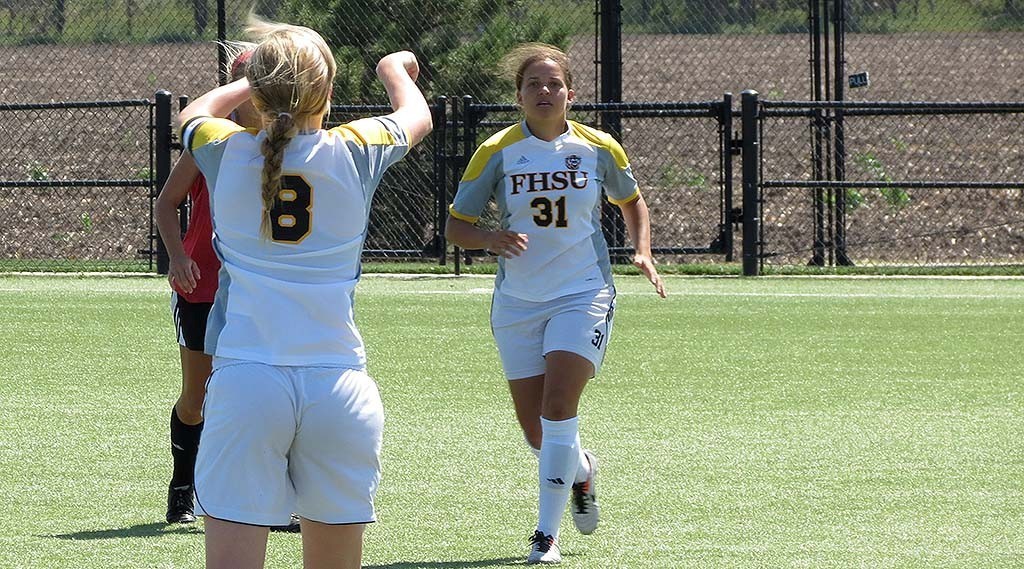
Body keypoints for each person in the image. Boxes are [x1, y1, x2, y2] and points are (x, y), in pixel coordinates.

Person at [176, 16, 431, 569]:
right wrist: (393, 68)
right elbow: (417, 116)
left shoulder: (225, 150)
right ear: (329, 92)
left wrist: (255, 81)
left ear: (259, 93)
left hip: (246, 384)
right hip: (339, 388)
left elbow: (193, 113)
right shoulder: (355, 149)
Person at [445, 43, 666, 565]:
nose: (544, 93)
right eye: (533, 85)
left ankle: (545, 536)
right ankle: (581, 470)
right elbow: (457, 227)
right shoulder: (497, 150)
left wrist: (642, 249)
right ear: (518, 95)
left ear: (570, 93)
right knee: (535, 430)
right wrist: (491, 240)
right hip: (518, 301)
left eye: (554, 84)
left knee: (559, 406)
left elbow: (632, 201)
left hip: (582, 293)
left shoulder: (597, 147)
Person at [155, 42, 308, 531]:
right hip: (203, 286)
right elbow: (166, 205)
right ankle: (183, 489)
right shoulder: (215, 144)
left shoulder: (297, 143)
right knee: (198, 397)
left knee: (269, 391)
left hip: (260, 290)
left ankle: (271, 500)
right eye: (251, 81)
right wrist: (178, 257)